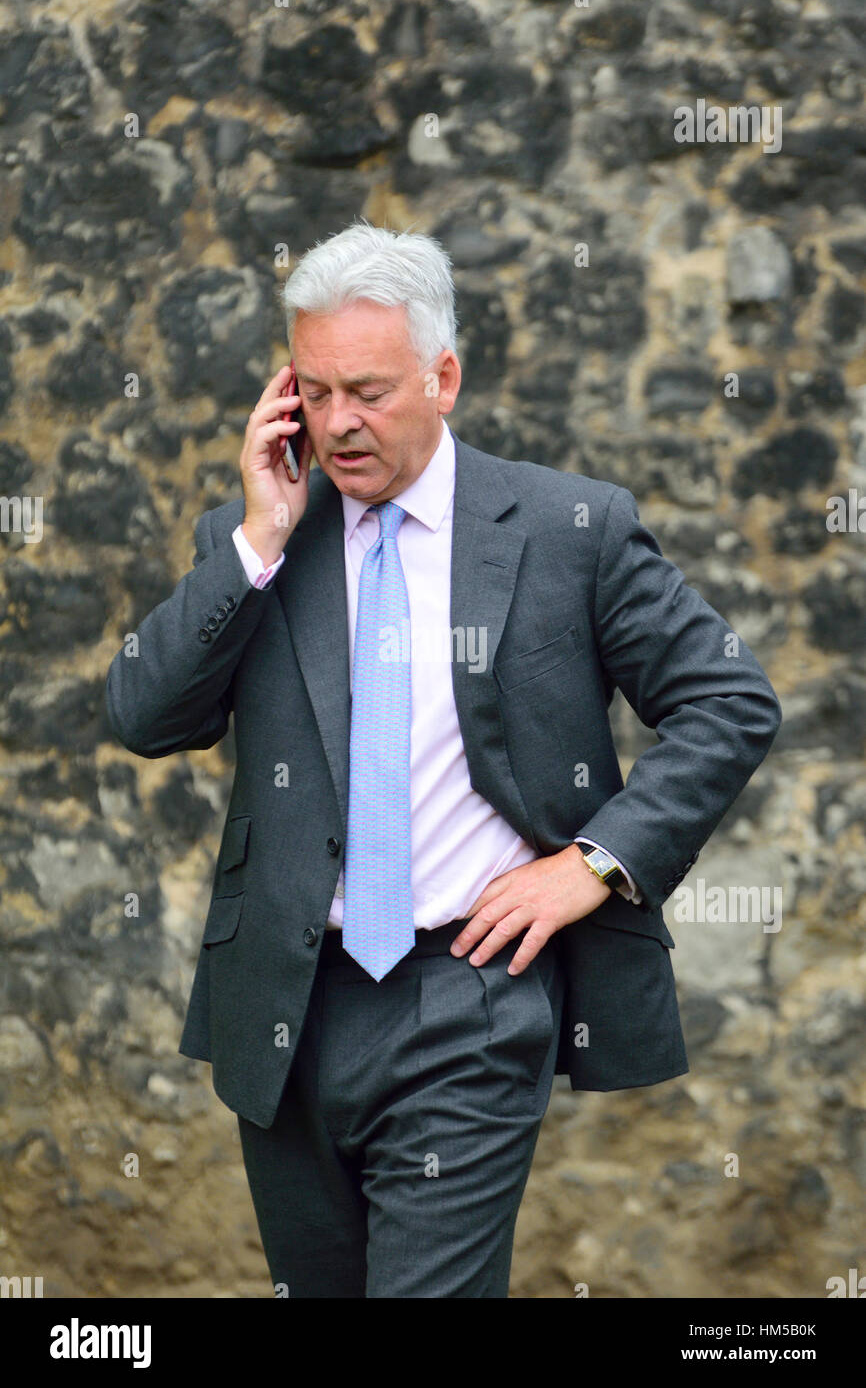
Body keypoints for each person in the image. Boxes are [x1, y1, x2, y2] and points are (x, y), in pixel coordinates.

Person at [105, 221, 782, 1298]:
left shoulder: (571, 530)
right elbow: (143, 715)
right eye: (313, 391)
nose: (337, 423)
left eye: (366, 390)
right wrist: (256, 541)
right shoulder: (257, 541)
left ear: (443, 376)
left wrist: (591, 863)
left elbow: (727, 701)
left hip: (468, 1000)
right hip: (285, 1005)